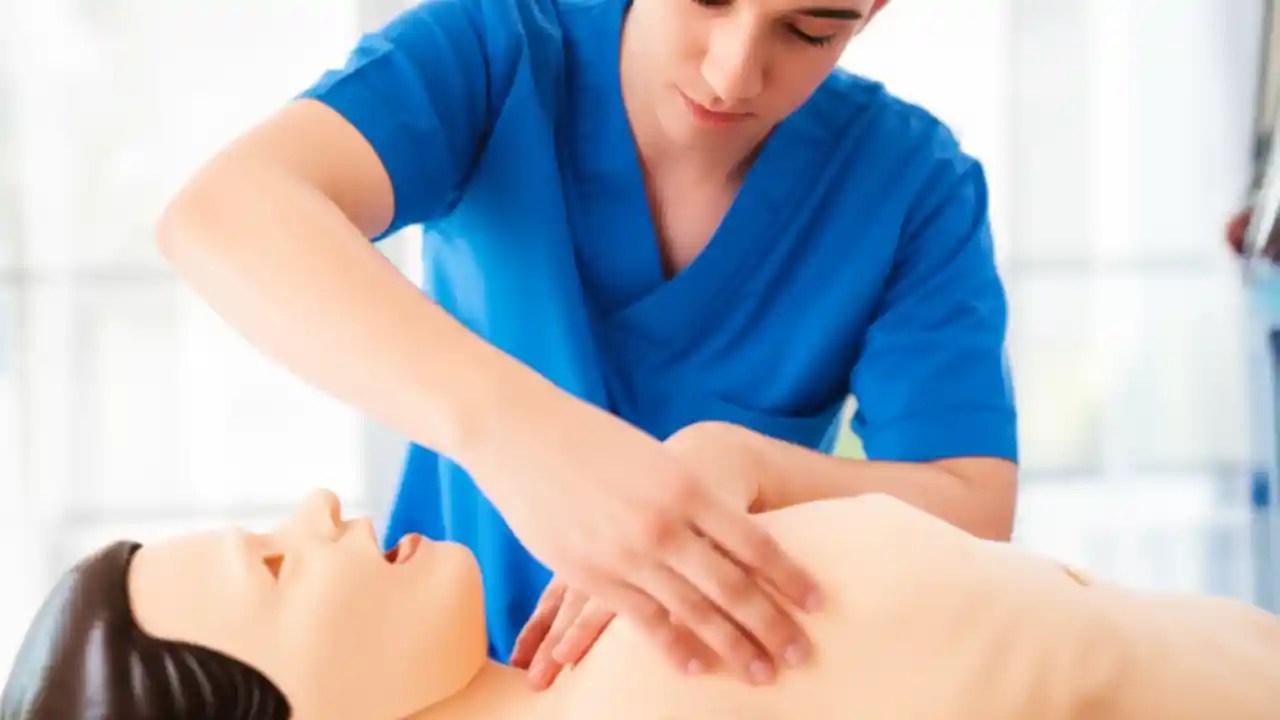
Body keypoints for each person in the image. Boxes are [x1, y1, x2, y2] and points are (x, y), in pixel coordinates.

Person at [154, 0, 1019, 684]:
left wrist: (750, 466)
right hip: (444, 681)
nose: (733, 72)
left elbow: (974, 509)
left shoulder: (912, 186)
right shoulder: (499, 50)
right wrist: (520, 435)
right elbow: (226, 212)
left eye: (810, 28)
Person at [2, 424, 1277, 720]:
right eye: (275, 568)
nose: (320, 506)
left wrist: (740, 463)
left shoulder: (625, 624)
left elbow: (985, 537)